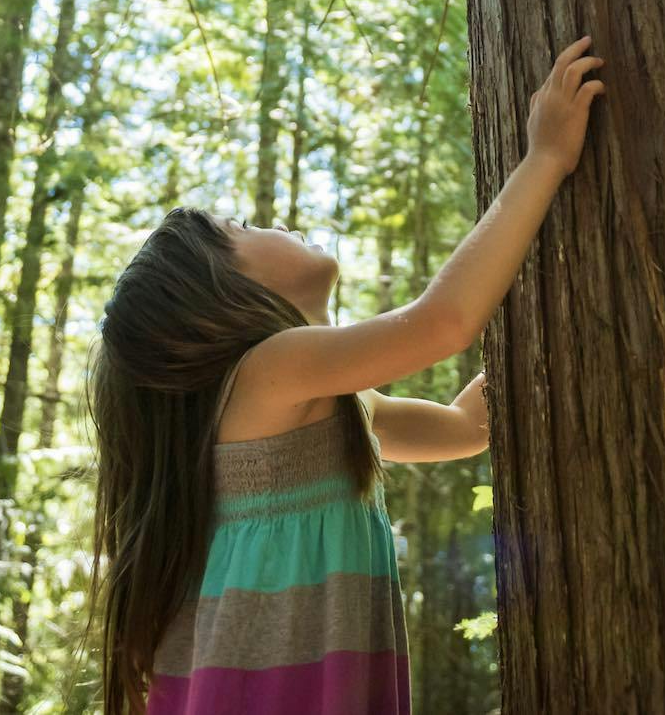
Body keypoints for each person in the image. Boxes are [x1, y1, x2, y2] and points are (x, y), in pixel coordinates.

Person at [85, 35, 606, 714]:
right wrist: (545, 158)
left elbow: (466, 427)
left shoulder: (325, 404)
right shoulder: (270, 370)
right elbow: (441, 324)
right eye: (241, 225)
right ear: (219, 291)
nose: (268, 221)